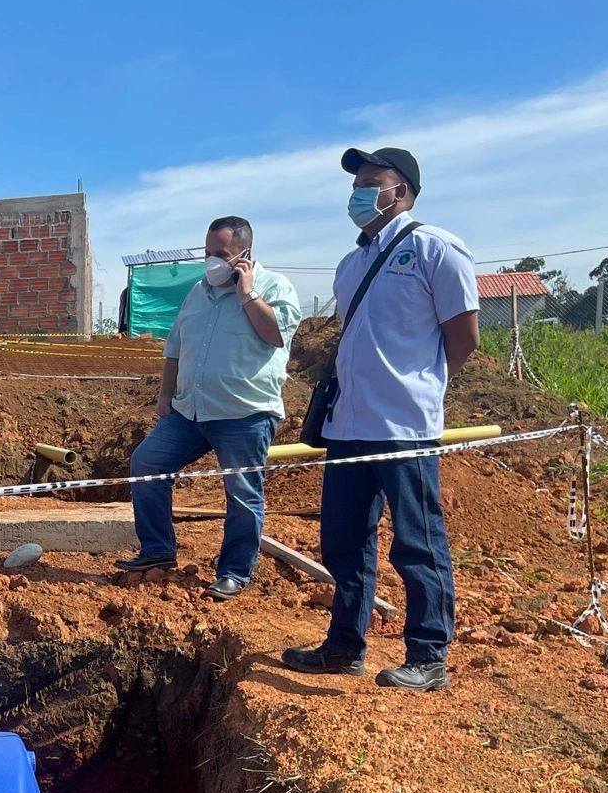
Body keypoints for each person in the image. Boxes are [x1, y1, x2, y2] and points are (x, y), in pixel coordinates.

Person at [281, 147, 478, 691]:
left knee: (417, 541)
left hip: (405, 427)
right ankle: (345, 646)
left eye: (372, 182)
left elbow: (463, 338)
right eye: (356, 185)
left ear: (403, 192)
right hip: (349, 425)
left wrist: (418, 388)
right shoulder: (352, 263)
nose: (359, 193)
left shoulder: (435, 249)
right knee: (344, 540)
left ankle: (428, 654)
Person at [114, 217, 299, 599]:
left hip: (244, 414)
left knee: (242, 493)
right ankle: (157, 551)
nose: (211, 262)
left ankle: (234, 571)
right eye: (207, 252)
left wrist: (247, 294)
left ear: (244, 256)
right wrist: (165, 397)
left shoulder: (275, 287)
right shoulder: (197, 293)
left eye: (221, 255)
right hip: (189, 413)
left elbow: (276, 334)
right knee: (147, 464)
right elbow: (175, 348)